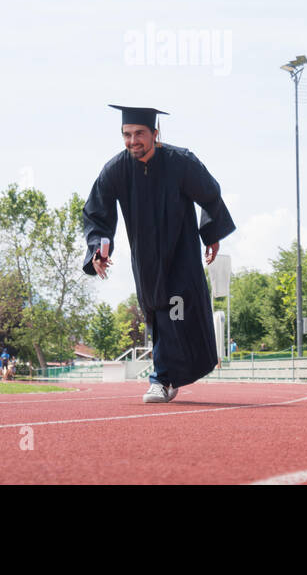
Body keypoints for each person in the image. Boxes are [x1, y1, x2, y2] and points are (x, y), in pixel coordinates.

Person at [83, 105, 236, 403]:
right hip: (146, 257)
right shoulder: (115, 169)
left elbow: (210, 194)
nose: (133, 141)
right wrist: (98, 250)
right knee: (158, 311)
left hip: (182, 252)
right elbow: (97, 213)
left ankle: (162, 378)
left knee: (176, 309)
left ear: (155, 133)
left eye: (139, 133)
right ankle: (168, 377)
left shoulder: (181, 162)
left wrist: (212, 234)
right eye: (127, 135)